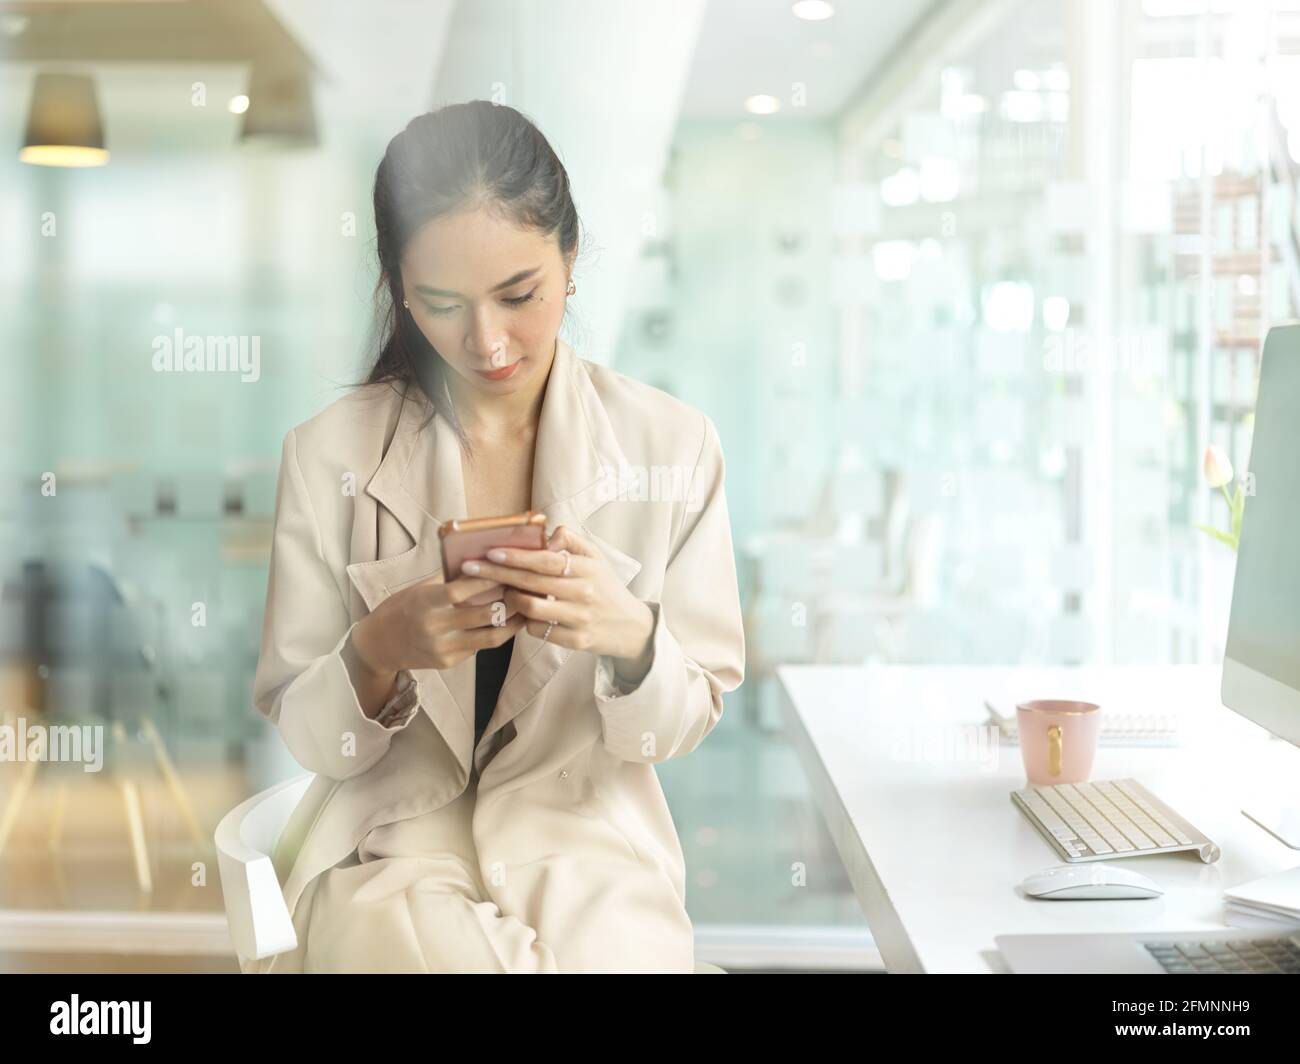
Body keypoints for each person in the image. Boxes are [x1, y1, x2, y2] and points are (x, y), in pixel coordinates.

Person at [247, 100, 745, 973]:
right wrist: (375, 652)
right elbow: (312, 737)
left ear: (571, 259)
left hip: (588, 848)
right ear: (398, 288)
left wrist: (628, 636)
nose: (486, 341)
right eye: (441, 303)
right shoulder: (329, 454)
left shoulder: (673, 447)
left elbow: (679, 722)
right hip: (390, 848)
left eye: (519, 296)